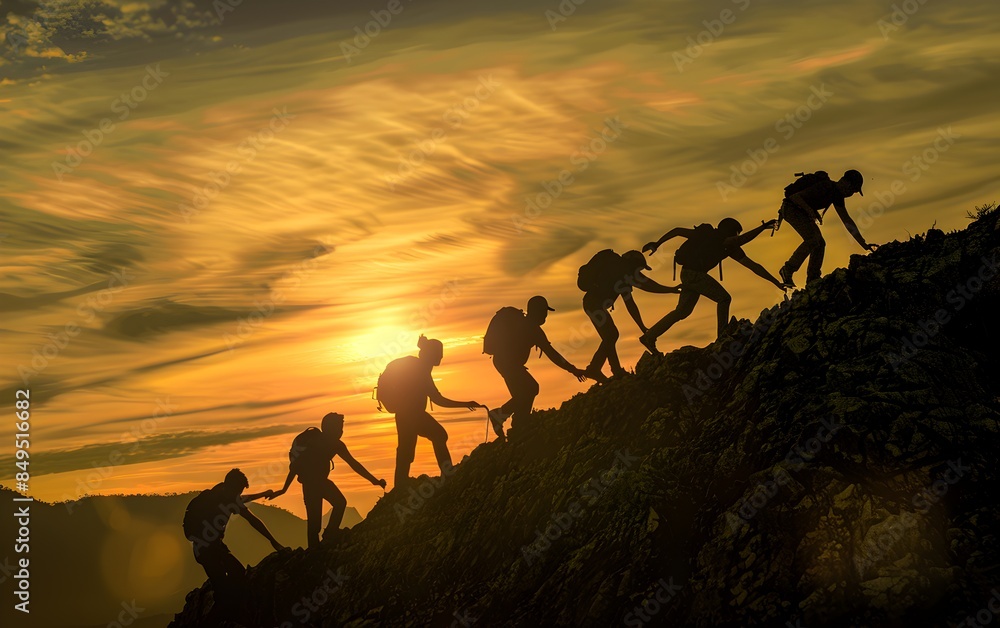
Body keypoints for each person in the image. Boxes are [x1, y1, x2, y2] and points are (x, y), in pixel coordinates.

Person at [641, 218, 785, 353]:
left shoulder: (726, 246)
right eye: (735, 233)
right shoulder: (714, 237)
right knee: (724, 298)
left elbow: (754, 266)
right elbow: (741, 240)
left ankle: (649, 336)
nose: (736, 237)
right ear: (729, 231)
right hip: (694, 274)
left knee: (682, 312)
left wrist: (775, 282)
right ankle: (722, 338)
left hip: (688, 274)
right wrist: (763, 227)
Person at [379, 335, 483, 488]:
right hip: (411, 414)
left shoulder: (418, 368)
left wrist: (466, 404)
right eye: (439, 353)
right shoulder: (420, 371)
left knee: (407, 448)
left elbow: (436, 398)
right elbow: (438, 399)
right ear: (432, 354)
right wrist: (466, 404)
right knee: (435, 436)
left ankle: (401, 484)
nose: (441, 357)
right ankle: (445, 475)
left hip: (407, 414)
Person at [271, 412, 386, 548]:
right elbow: (296, 466)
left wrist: (374, 480)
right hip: (312, 484)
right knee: (316, 523)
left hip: (318, 483)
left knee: (338, 504)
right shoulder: (318, 442)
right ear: (330, 428)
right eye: (339, 427)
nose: (341, 431)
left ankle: (328, 537)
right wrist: (284, 489)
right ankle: (316, 550)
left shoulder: (336, 445)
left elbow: (354, 464)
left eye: (342, 427)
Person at [182, 469, 285, 620]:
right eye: (237, 491)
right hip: (207, 550)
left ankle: (225, 614)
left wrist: (263, 493)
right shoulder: (224, 500)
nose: (238, 495)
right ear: (230, 488)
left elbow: (242, 499)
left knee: (234, 577)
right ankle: (219, 619)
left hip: (210, 548)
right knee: (224, 590)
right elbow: (252, 519)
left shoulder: (219, 492)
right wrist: (273, 541)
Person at [485, 296, 586, 440]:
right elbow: (552, 354)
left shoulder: (525, 324)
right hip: (508, 364)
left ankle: (517, 424)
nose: (546, 316)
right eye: (544, 312)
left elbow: (551, 353)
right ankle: (504, 418)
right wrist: (572, 369)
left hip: (504, 362)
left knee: (525, 392)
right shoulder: (533, 329)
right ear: (537, 312)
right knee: (530, 389)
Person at [577, 249, 680, 381]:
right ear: (633, 264)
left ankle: (601, 369)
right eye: (639, 268)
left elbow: (633, 299)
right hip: (594, 305)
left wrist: (642, 326)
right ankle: (603, 370)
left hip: (592, 304)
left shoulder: (619, 272)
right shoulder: (622, 272)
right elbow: (643, 289)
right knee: (611, 335)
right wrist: (670, 290)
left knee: (610, 336)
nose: (639, 272)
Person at [778, 169, 875, 287]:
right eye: (853, 190)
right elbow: (795, 197)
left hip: (798, 211)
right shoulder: (826, 187)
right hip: (790, 209)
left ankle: (813, 280)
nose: (851, 194)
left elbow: (847, 221)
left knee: (819, 243)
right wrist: (810, 211)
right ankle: (787, 270)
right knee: (813, 240)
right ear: (847, 184)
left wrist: (864, 245)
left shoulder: (836, 195)